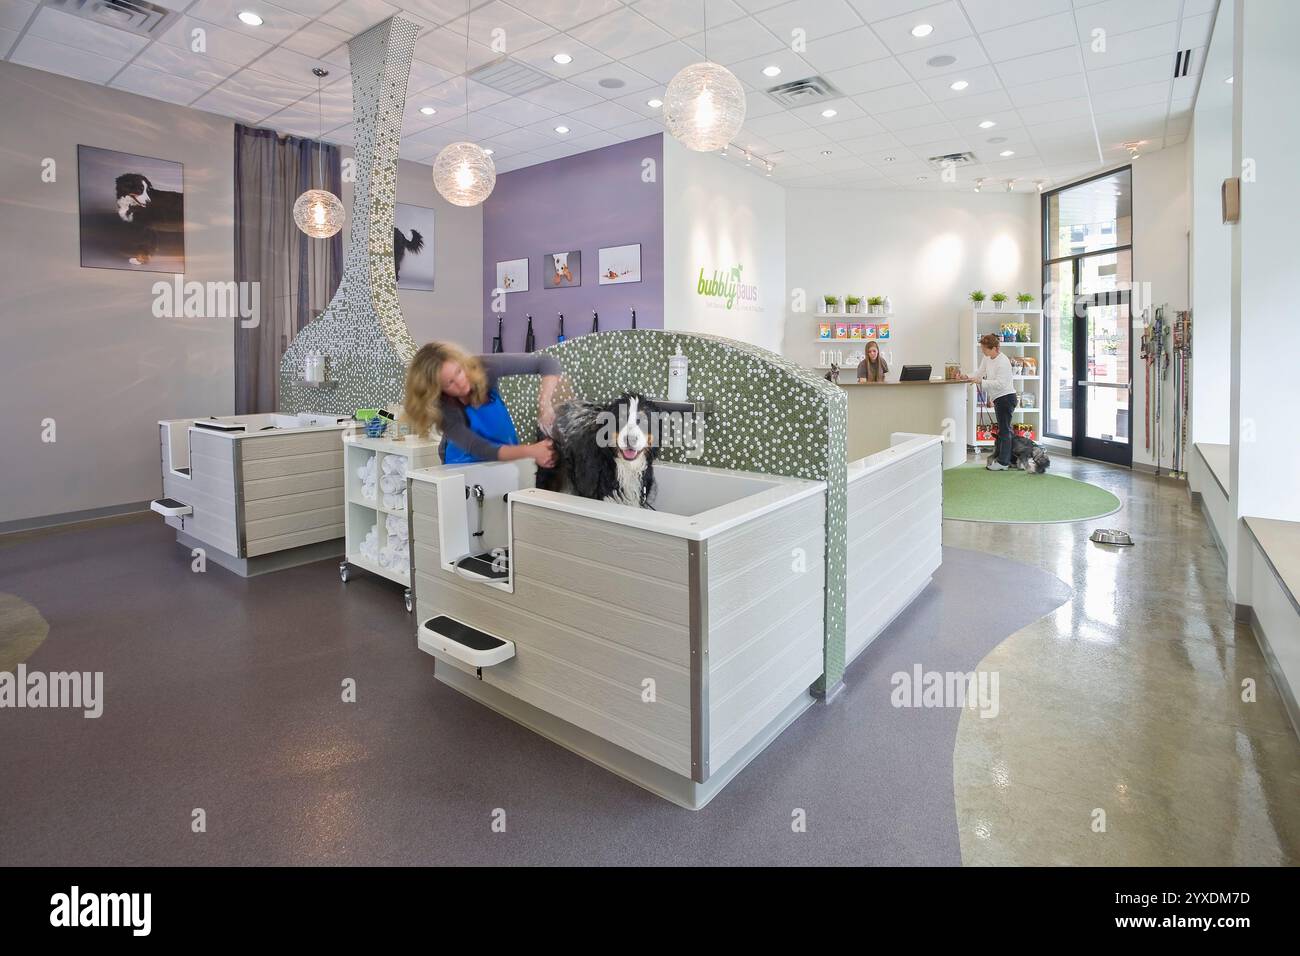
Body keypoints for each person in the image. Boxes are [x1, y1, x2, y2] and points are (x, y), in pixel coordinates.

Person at [403, 342, 560, 467]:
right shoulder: (443, 409)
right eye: (450, 382)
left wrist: (545, 405)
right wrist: (531, 451)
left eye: (459, 371)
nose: (461, 382)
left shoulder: (481, 367)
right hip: (462, 467)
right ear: (438, 390)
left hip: (504, 458)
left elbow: (546, 362)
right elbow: (481, 449)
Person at [964, 333, 1017, 470]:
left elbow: (1001, 384)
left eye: (985, 349)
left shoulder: (1003, 361)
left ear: (994, 348)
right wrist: (967, 376)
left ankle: (1003, 463)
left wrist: (981, 382)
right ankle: (1008, 459)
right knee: (1004, 430)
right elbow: (979, 371)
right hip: (999, 398)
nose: (983, 351)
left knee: (1004, 431)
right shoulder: (987, 358)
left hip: (1006, 398)